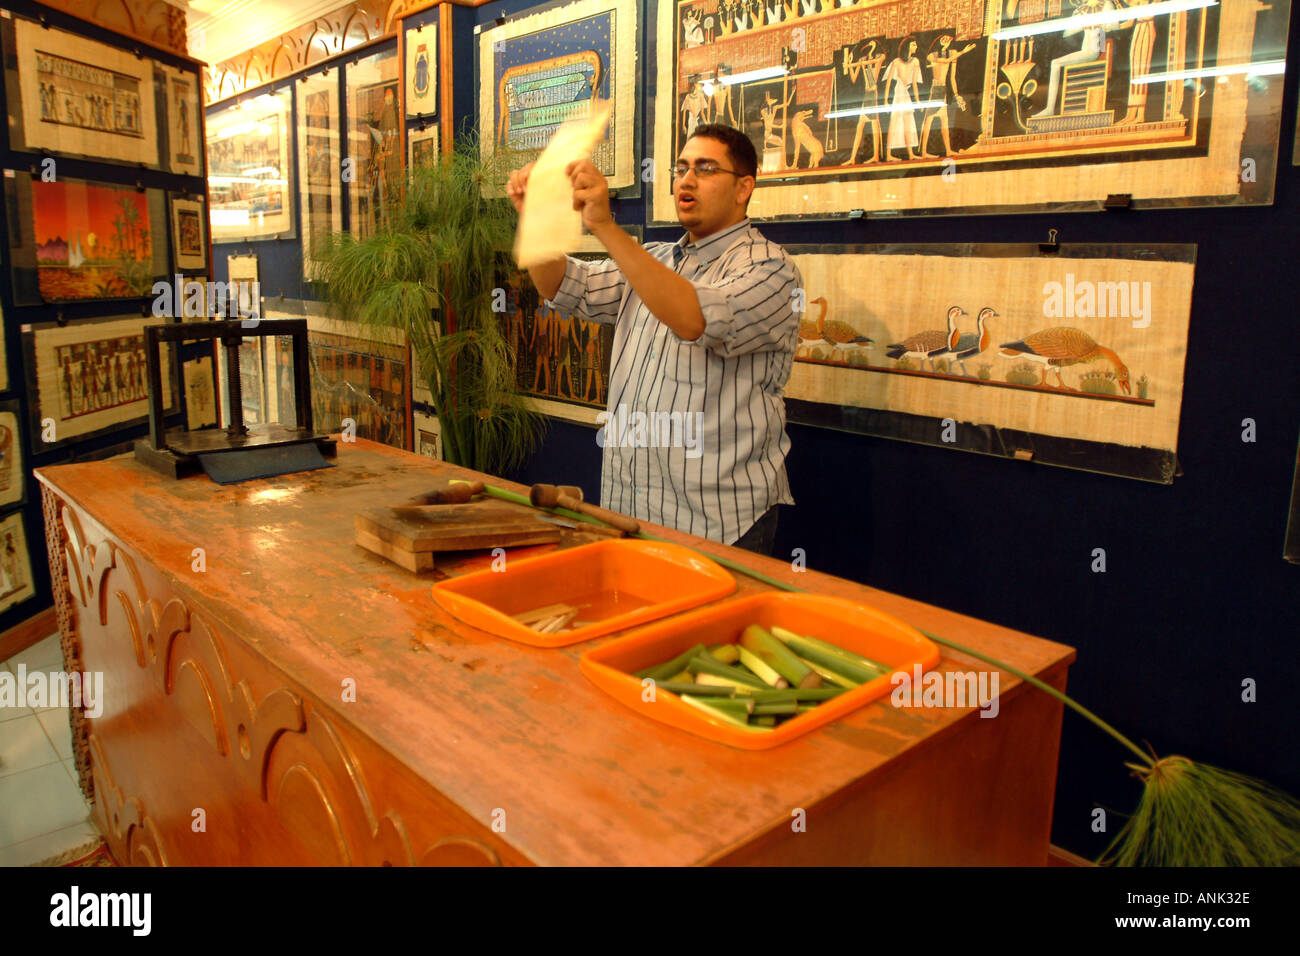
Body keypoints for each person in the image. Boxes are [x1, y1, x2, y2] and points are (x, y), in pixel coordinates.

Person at [506, 124, 803, 554]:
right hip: (632, 512)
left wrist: (605, 226)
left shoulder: (773, 270)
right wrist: (537, 217)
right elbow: (562, 286)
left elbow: (693, 318)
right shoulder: (657, 258)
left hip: (718, 523)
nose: (686, 179)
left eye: (705, 169)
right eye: (681, 168)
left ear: (744, 188)